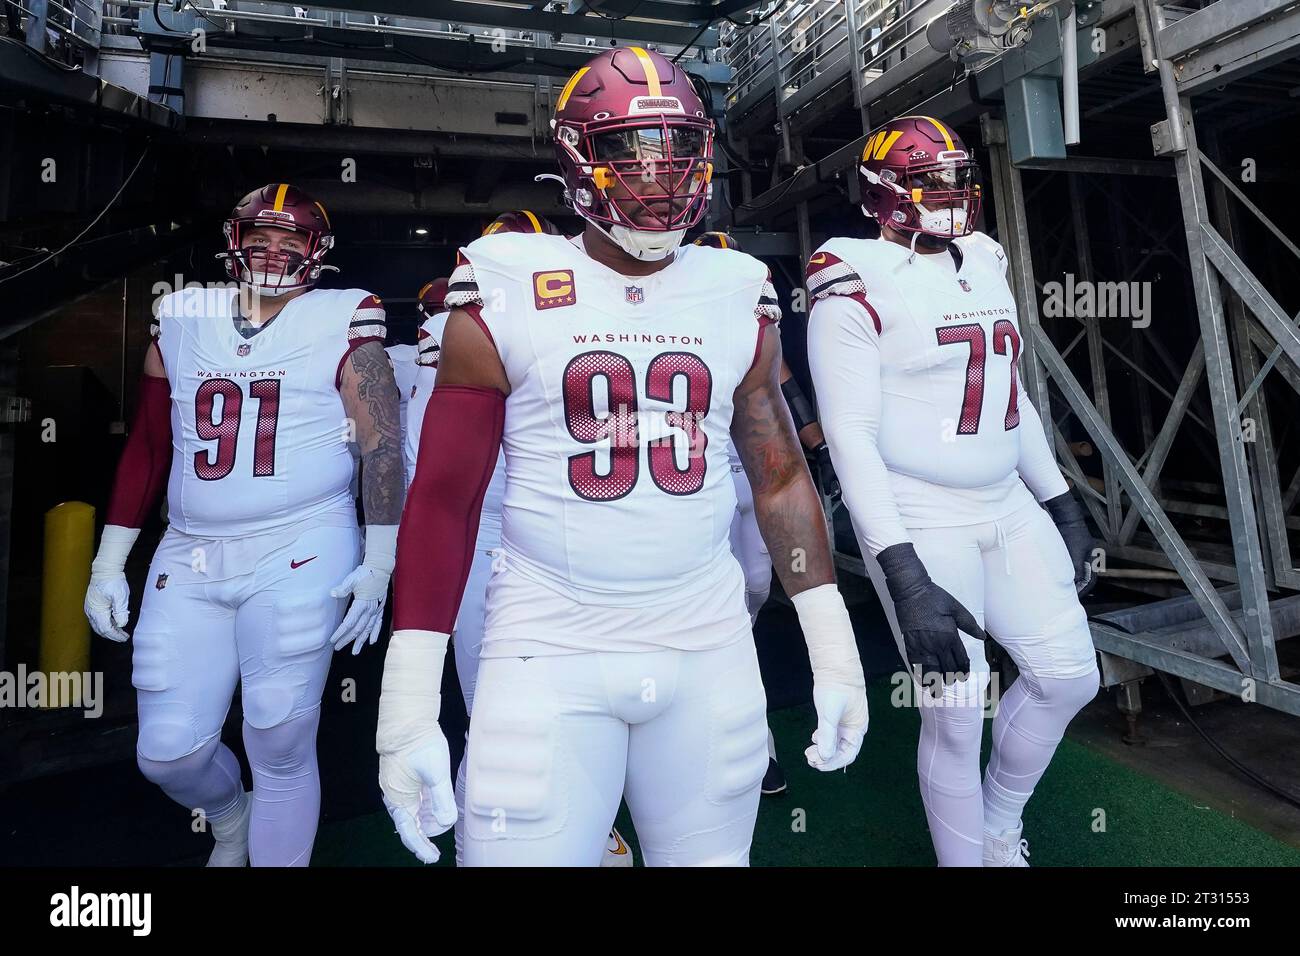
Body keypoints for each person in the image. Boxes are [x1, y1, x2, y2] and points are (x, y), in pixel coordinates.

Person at [377, 46, 868, 867]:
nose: (658, 176)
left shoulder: (734, 287)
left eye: (676, 150)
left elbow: (779, 474)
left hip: (705, 636)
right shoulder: (506, 283)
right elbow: (444, 498)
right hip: (549, 638)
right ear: (575, 158)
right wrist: (406, 701)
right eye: (628, 151)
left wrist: (834, 649)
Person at [806, 116, 1099, 866]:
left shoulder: (984, 257)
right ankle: (963, 860)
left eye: (955, 177)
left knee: (1069, 676)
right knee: (958, 708)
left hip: (1005, 500)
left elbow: (1013, 395)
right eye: (927, 181)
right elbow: (851, 438)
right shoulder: (850, 276)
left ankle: (998, 820)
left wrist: (1059, 498)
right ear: (883, 193)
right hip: (921, 512)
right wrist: (901, 572)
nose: (948, 193)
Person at [84, 183, 404, 866]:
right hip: (190, 548)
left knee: (279, 736)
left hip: (301, 540)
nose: (273, 254)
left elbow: (380, 442)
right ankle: (232, 817)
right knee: (165, 753)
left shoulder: (345, 315)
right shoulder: (182, 315)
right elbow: (147, 444)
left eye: (291, 243)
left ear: (318, 255)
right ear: (233, 242)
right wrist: (107, 562)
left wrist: (380, 561)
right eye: (259, 239)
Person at [692, 230, 842, 797]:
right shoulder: (679, 318)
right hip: (699, 473)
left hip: (754, 470)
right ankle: (752, 739)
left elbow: (781, 384)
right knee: (722, 597)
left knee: (755, 585)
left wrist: (817, 443)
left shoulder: (754, 326)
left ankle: (731, 658)